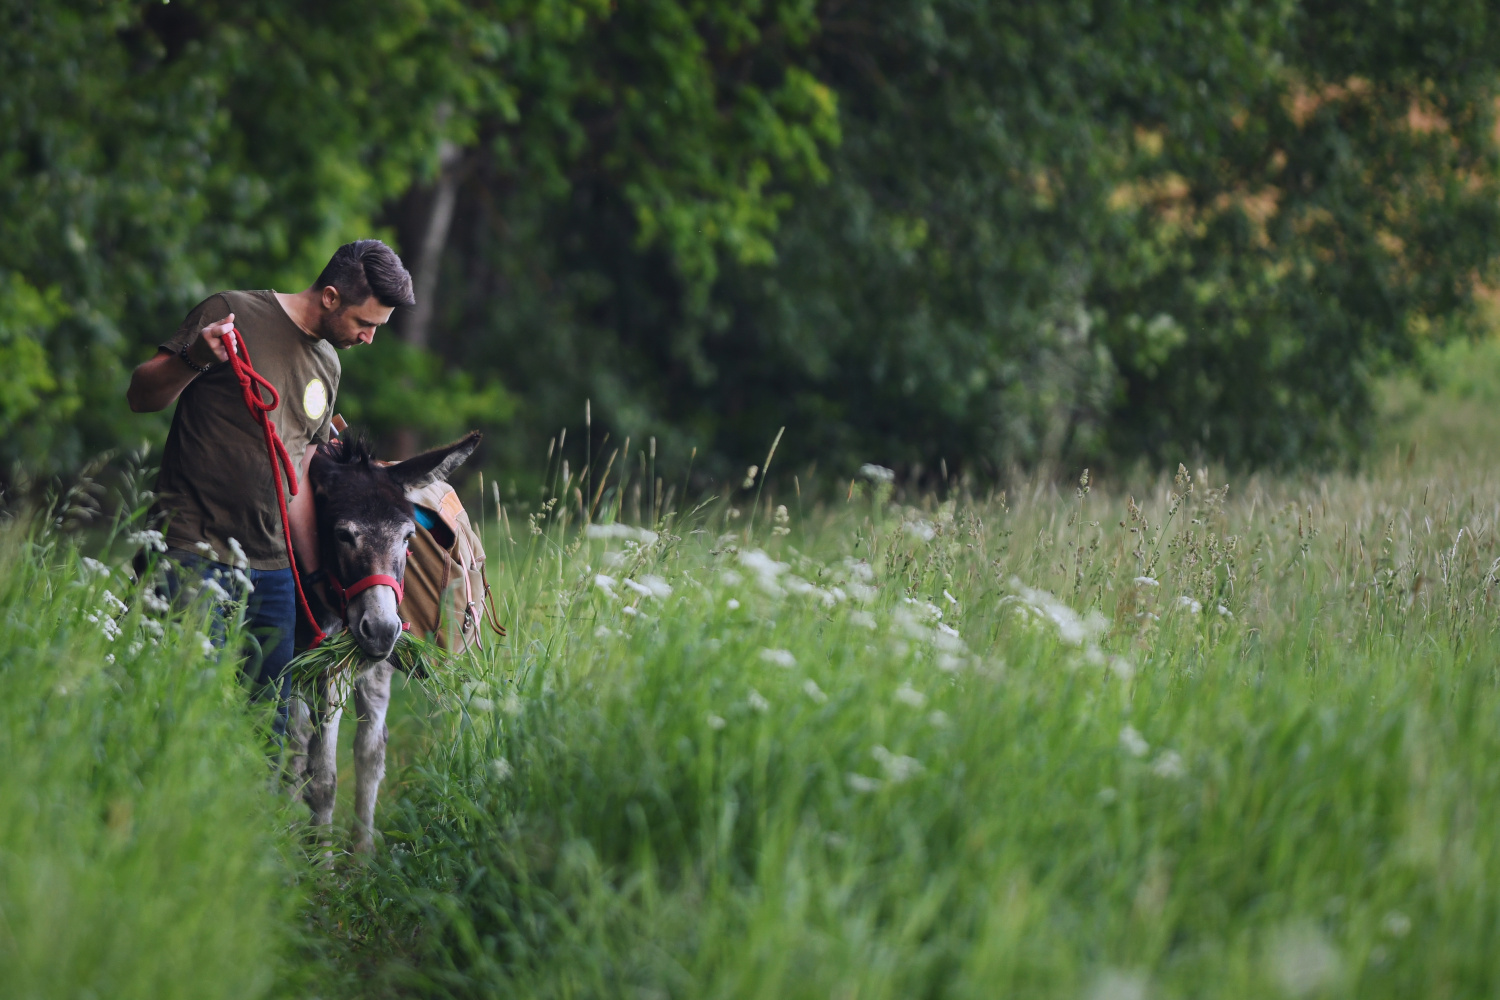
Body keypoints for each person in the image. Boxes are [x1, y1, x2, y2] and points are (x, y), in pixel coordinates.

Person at [127, 239, 414, 736]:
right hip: (194, 552)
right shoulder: (231, 312)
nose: (369, 338)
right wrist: (193, 357)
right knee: (181, 716)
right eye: (364, 324)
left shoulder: (328, 363)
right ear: (330, 297)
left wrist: (318, 580)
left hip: (274, 574)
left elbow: (298, 474)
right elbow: (140, 394)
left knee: (271, 732)